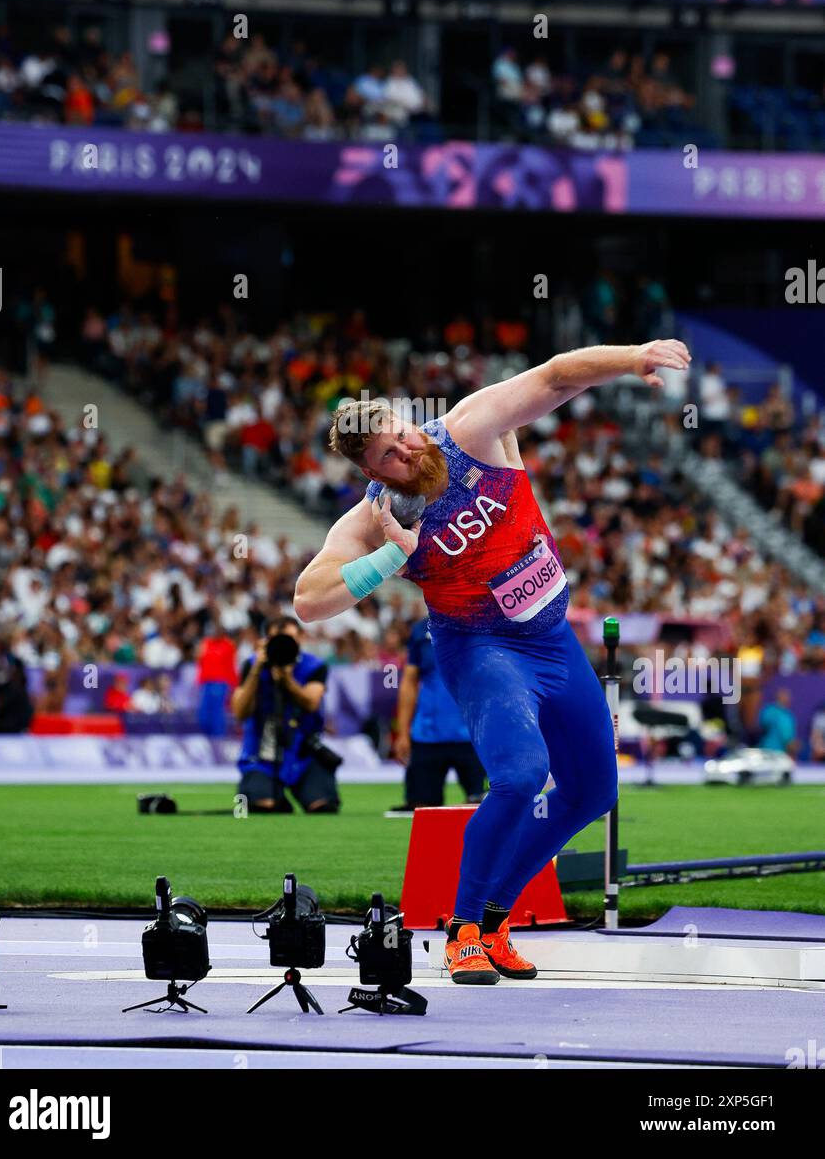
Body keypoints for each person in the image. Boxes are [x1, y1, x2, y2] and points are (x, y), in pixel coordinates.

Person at [294, 337, 690, 983]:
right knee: (520, 774)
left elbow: (557, 375)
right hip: (483, 648)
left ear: (406, 419)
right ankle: (463, 929)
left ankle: (499, 918)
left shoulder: (467, 430)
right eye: (386, 457)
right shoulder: (375, 519)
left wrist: (632, 358)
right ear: (371, 471)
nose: (405, 452)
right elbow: (309, 602)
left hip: (554, 639)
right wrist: (393, 557)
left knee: (594, 791)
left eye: (402, 436)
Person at [232, 616, 339, 813]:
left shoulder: (314, 666)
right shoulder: (253, 664)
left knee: (323, 807)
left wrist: (287, 679)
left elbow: (311, 703)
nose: (284, 645)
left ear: (301, 638)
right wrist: (257, 670)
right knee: (263, 807)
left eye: (289, 639)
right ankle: (274, 797)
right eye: (276, 639)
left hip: (303, 753)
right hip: (262, 754)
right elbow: (239, 711)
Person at [391, 616, 484, 812]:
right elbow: (409, 682)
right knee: (420, 809)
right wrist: (403, 733)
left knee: (484, 805)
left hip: (473, 736)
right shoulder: (420, 630)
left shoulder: (482, 622)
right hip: (427, 736)